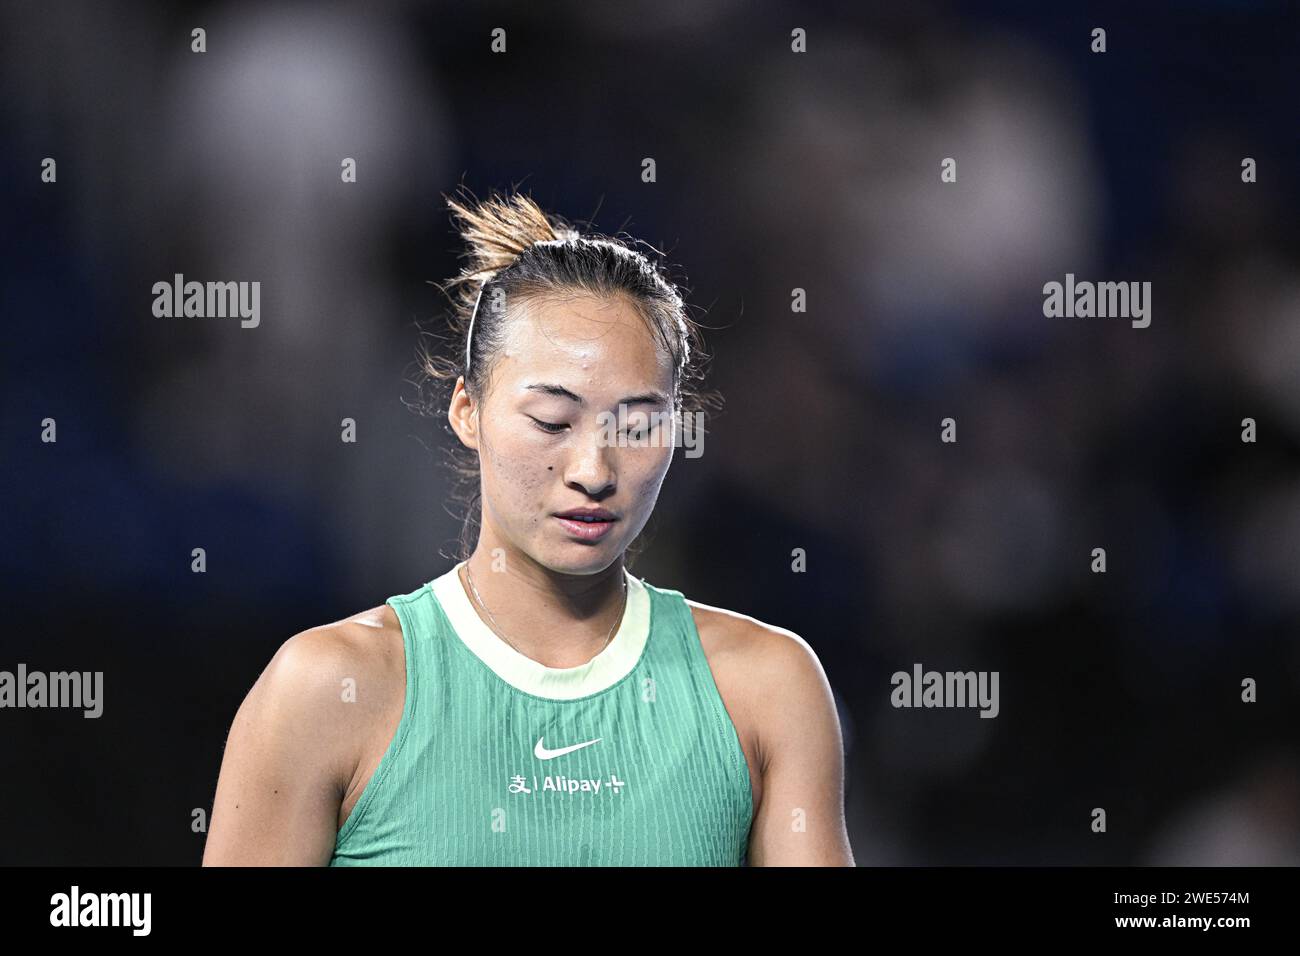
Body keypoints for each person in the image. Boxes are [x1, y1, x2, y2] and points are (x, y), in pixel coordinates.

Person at [202, 189, 854, 866]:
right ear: (467, 410)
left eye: (636, 425)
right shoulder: (328, 688)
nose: (593, 470)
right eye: (551, 420)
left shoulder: (768, 688)